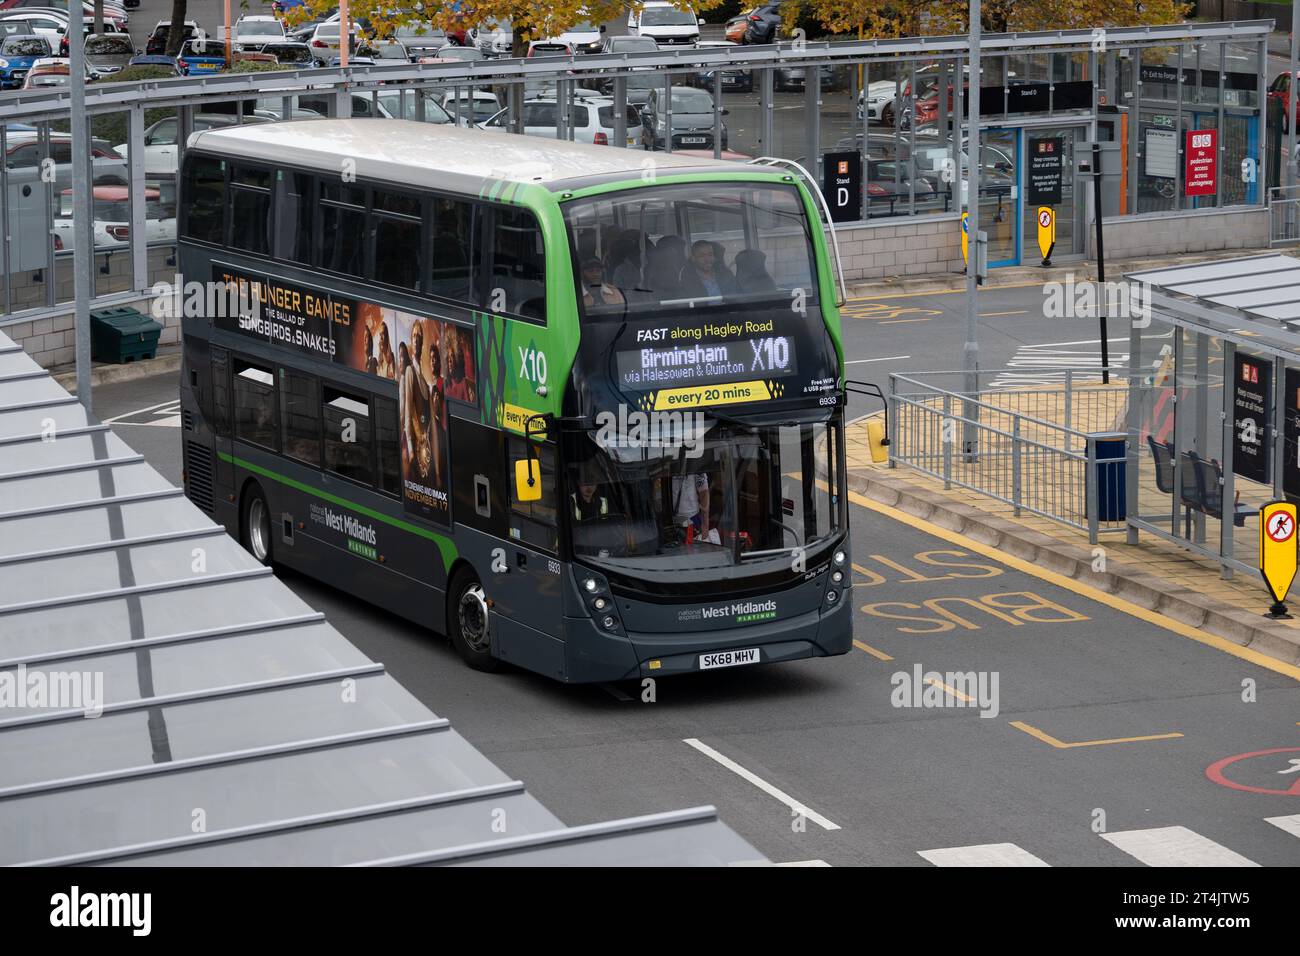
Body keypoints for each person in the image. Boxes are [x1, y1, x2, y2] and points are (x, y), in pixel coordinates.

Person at [401, 324, 433, 483]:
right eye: (414, 336)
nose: (416, 339)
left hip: (427, 451)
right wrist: (411, 450)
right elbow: (408, 413)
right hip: (416, 450)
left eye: (419, 336)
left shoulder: (426, 381)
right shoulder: (409, 372)